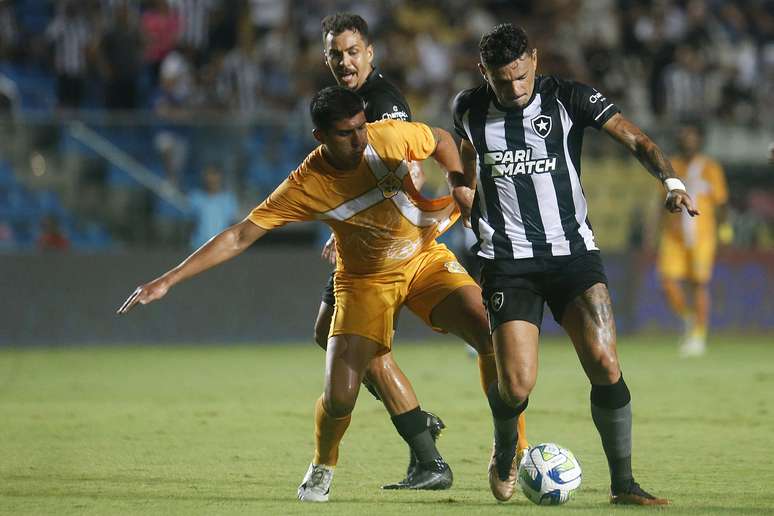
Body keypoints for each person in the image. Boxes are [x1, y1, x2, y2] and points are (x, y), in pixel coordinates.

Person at [118, 86, 512, 502]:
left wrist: (459, 183)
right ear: (319, 136)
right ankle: (323, 465)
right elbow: (239, 236)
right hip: (365, 282)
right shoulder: (308, 184)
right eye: (346, 133)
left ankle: (509, 450)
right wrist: (168, 279)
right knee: (340, 398)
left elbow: (442, 140)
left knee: (490, 331)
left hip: (423, 258)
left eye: (361, 127)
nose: (360, 139)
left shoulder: (388, 136)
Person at [450, 24, 700, 505]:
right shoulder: (469, 108)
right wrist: (463, 184)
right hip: (509, 262)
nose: (516, 89)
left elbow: (636, 139)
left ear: (535, 61)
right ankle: (505, 451)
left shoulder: (569, 98)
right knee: (517, 383)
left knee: (606, 364)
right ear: (485, 74)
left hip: (574, 255)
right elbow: (465, 152)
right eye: (503, 82)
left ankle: (623, 485)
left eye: (522, 77)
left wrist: (670, 183)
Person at [315, 13, 528, 490]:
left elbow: (408, 166)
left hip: (399, 245)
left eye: (352, 51)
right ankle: (422, 444)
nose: (345, 61)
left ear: (370, 53)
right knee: (328, 336)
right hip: (364, 249)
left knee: (484, 332)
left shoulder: (382, 104)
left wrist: (370, 207)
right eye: (336, 54)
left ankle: (508, 447)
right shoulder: (342, 104)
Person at [657, 121, 728, 356]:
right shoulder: (672, 166)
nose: (687, 140)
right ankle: (688, 318)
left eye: (692, 136)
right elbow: (662, 202)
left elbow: (720, 203)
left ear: (700, 139)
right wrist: (654, 228)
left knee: (698, 284)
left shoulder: (710, 168)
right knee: (667, 281)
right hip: (673, 235)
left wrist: (724, 229)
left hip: (702, 234)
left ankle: (699, 335)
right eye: (684, 135)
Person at [188, 165, 239, 250]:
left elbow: (232, 223)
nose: (211, 179)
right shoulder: (195, 197)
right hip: (198, 247)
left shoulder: (228, 199)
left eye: (214, 175)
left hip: (222, 248)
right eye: (208, 175)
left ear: (220, 177)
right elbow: (189, 223)